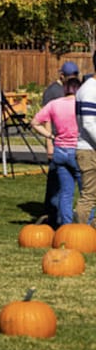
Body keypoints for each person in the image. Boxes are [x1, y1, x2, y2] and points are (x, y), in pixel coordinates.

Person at [32, 78, 80, 226]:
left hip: (60, 150)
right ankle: (86, 224)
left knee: (65, 193)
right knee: (87, 193)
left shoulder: (54, 104)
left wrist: (50, 136)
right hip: (77, 150)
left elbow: (34, 122)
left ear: (64, 89)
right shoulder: (80, 105)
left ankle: (66, 226)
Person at [77, 53, 96, 225]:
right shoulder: (90, 90)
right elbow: (89, 123)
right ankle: (81, 232)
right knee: (89, 196)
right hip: (89, 149)